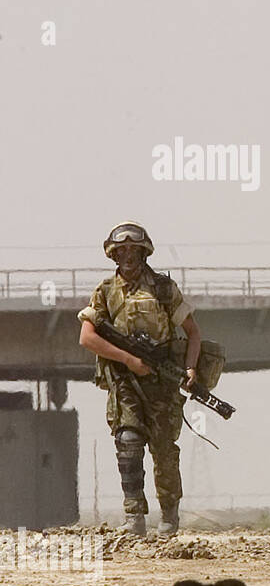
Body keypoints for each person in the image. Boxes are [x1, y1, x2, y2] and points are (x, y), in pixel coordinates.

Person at [77, 222, 202, 537]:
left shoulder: (162, 288)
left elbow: (193, 333)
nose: (128, 255)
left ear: (144, 252)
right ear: (114, 254)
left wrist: (189, 369)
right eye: (122, 250)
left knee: (163, 449)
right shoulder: (105, 291)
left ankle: (169, 519)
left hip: (161, 381)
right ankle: (134, 517)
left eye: (134, 250)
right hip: (125, 382)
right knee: (128, 443)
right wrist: (129, 360)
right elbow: (87, 337)